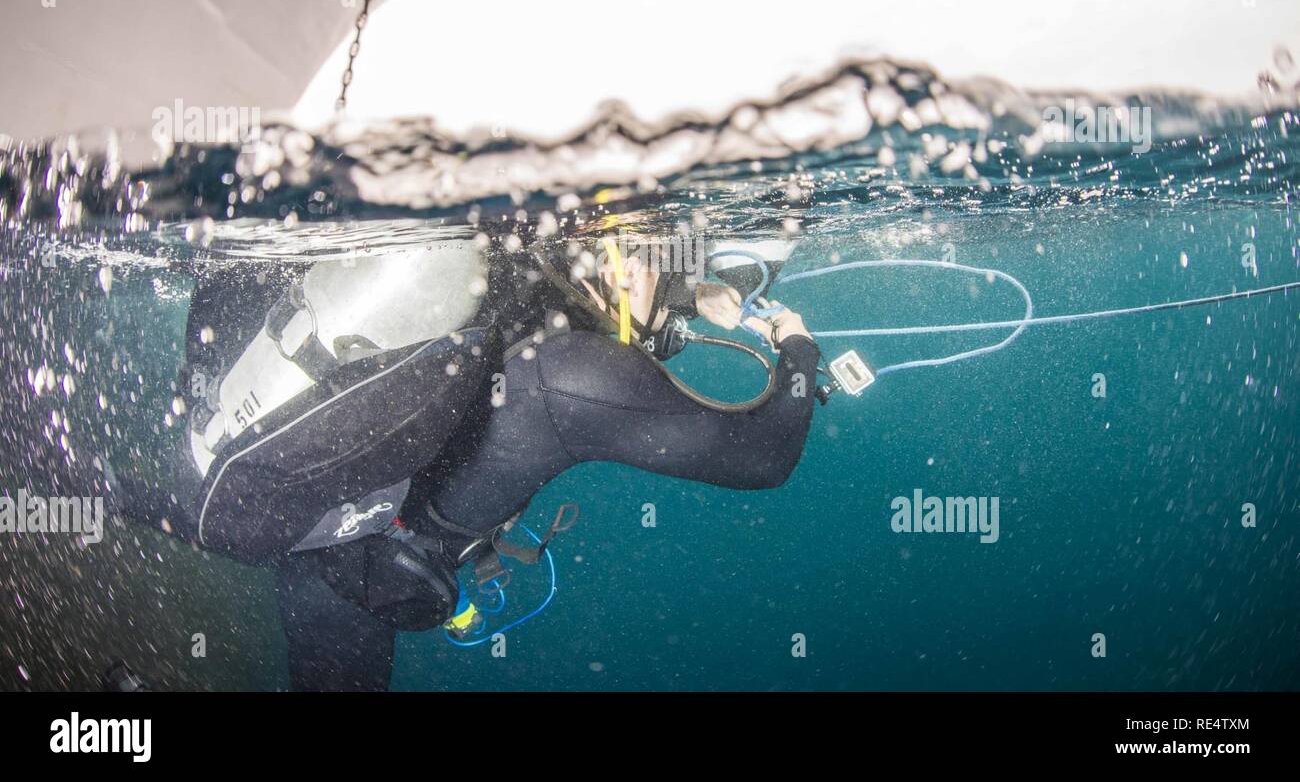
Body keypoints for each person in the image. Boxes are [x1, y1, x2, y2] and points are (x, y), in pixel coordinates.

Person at [111, 231, 822, 690]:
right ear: (621, 258)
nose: (671, 312)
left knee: (225, 518)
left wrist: (687, 298)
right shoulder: (576, 374)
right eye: (660, 274)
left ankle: (113, 493)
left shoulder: (503, 260)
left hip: (285, 476)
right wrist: (797, 349)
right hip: (356, 560)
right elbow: (763, 456)